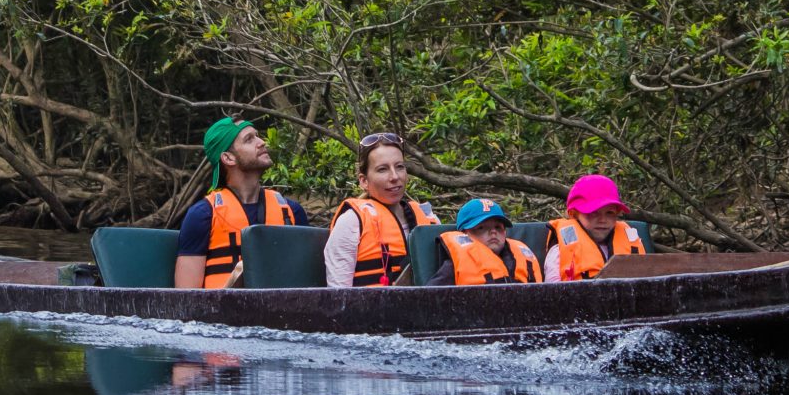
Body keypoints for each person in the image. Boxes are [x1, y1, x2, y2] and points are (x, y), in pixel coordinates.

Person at [174, 118, 310, 289]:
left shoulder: (292, 211)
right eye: (249, 139)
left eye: (258, 136)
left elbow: (307, 281)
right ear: (228, 158)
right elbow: (185, 297)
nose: (261, 142)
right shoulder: (202, 215)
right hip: (221, 314)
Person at [325, 132, 438, 287]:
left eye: (399, 167)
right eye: (382, 169)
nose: (394, 176)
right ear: (364, 181)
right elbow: (339, 295)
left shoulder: (429, 219)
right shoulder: (351, 222)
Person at [544, 175, 647, 281]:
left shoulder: (629, 242)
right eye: (593, 213)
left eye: (609, 213)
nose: (603, 220)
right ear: (573, 214)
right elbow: (553, 293)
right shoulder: (559, 251)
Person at [428, 198, 543, 285]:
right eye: (482, 228)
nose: (493, 232)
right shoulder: (454, 266)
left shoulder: (523, 258)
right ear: (465, 234)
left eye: (498, 227)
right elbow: (428, 300)